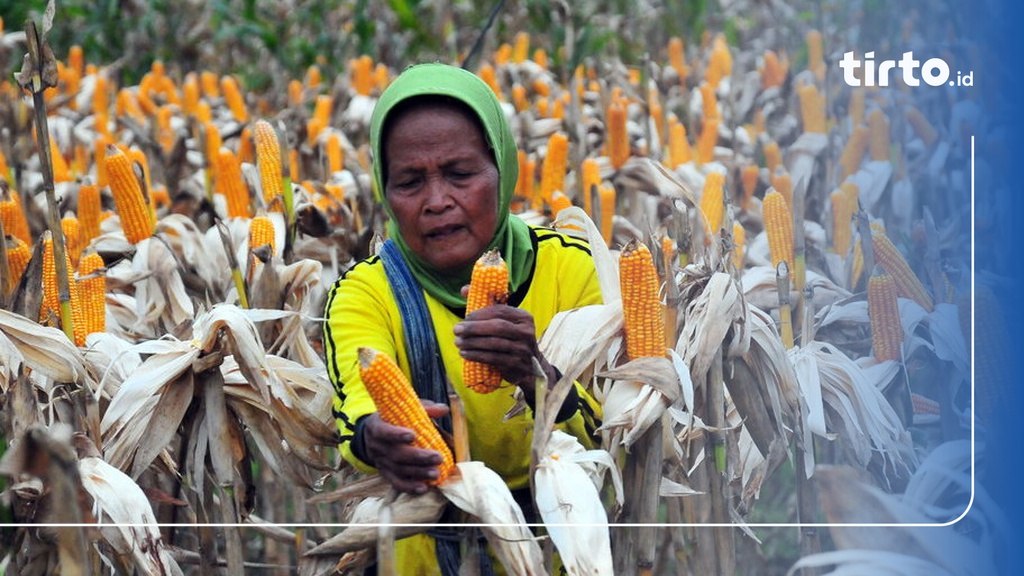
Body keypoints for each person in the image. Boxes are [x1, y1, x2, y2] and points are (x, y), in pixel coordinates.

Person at [323, 63, 602, 575]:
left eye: (460, 174)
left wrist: (539, 376)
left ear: (503, 171)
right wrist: (374, 437)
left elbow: (613, 434)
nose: (437, 202)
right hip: (421, 557)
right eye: (410, 182)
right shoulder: (364, 292)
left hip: (561, 551)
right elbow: (357, 411)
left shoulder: (574, 270)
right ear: (384, 191)